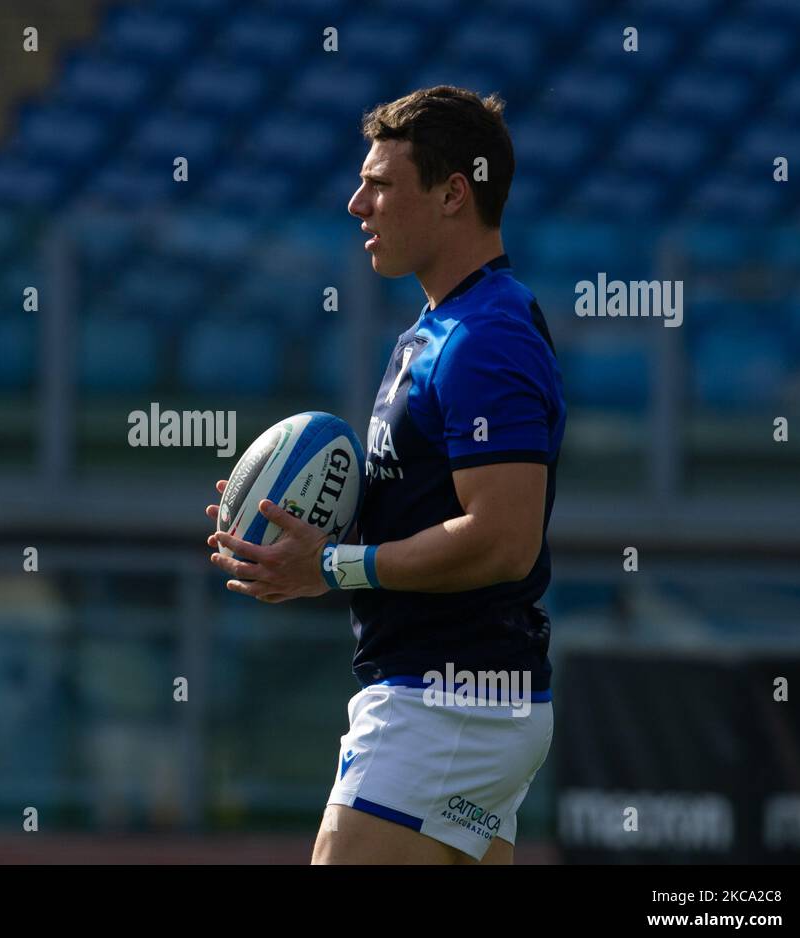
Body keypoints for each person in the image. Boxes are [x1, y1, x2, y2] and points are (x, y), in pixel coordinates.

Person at [206, 86, 566, 864]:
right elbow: (428, 504)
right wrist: (291, 527)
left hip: (443, 703)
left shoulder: (485, 339)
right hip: (456, 698)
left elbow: (504, 540)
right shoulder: (436, 332)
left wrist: (330, 565)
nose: (355, 202)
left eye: (380, 183)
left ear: (451, 194)